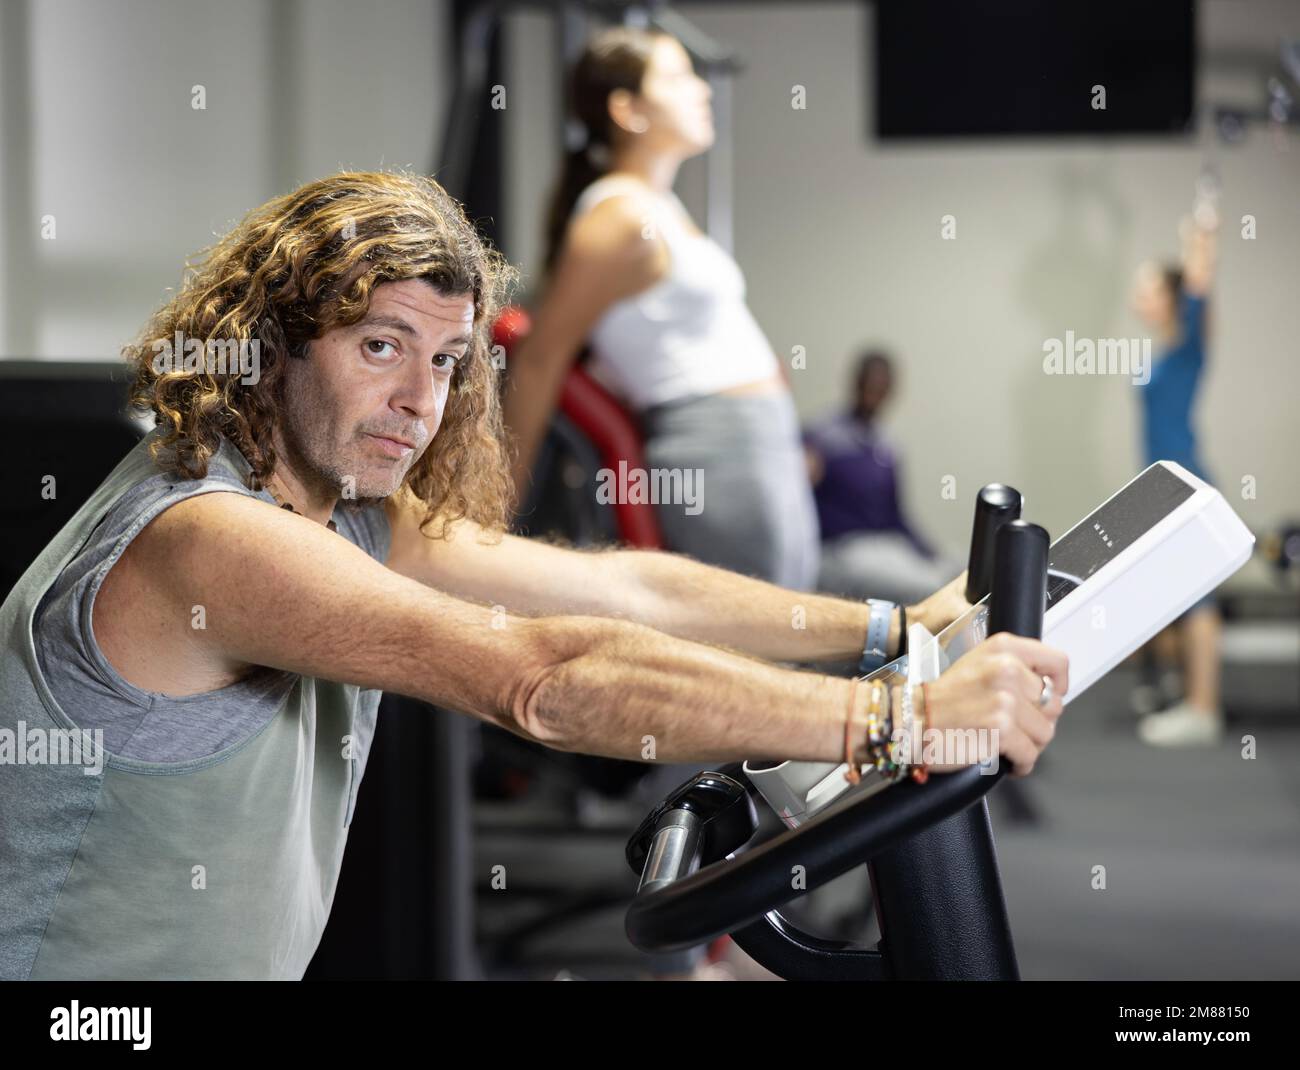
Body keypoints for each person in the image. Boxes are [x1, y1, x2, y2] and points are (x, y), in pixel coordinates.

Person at [0, 170, 1068, 981]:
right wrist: (902, 717)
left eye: (447, 358)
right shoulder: (211, 539)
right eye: (381, 345)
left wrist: (888, 624)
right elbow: (543, 677)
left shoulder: (345, 509)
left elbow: (626, 593)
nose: (421, 398)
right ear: (270, 345)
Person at [501, 27, 819, 593]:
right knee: (765, 649)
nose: (702, 90)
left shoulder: (656, 207)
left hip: (753, 443)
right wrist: (491, 521)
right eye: (677, 78)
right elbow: (538, 360)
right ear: (627, 109)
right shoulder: (617, 219)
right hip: (714, 452)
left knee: (790, 624)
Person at [1130, 195, 1223, 747]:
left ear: (1170, 296)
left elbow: (1201, 286)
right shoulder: (1162, 351)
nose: (1137, 297)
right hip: (1162, 486)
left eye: (1147, 287)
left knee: (1200, 598)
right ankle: (1183, 691)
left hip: (1188, 483)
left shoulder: (1187, 346)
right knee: (1170, 594)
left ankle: (1204, 709)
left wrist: (1201, 237)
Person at [804, 350, 957, 607]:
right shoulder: (820, 438)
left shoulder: (886, 447)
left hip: (887, 546)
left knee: (957, 570)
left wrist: (930, 553)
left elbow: (896, 515)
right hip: (844, 551)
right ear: (856, 383)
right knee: (932, 590)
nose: (874, 393)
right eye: (870, 384)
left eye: (881, 387)